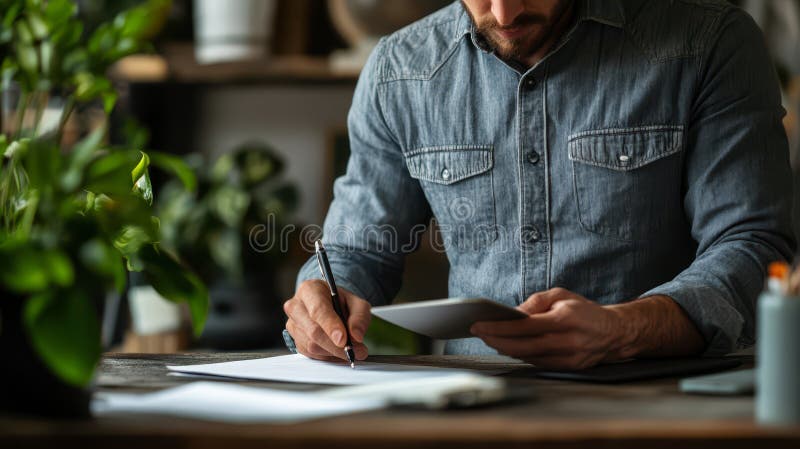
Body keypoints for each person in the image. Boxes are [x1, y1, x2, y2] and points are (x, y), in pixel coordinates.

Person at [283, 0, 795, 369]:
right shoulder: (398, 72)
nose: (503, 15)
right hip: (470, 404)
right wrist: (325, 299)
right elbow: (359, 250)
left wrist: (629, 328)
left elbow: (753, 245)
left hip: (663, 401)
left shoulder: (709, 44)